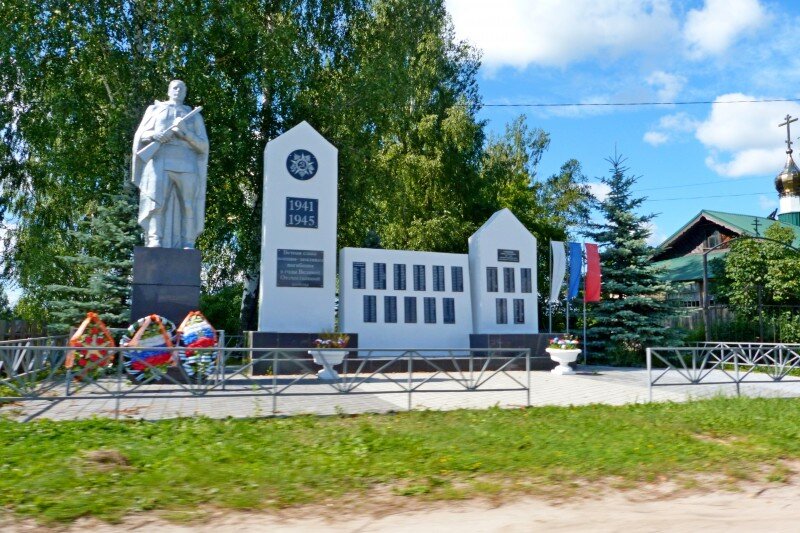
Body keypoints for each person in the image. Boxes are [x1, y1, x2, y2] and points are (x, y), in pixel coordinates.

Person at [132, 80, 209, 248]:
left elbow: (203, 146)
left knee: (188, 205)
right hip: (160, 161)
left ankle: (187, 241)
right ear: (168, 90)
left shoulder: (193, 115)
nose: (178, 90)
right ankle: (155, 239)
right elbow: (141, 136)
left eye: (182, 88)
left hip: (187, 163)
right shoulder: (155, 110)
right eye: (175, 87)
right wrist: (155, 135)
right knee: (157, 204)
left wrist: (185, 133)